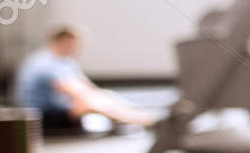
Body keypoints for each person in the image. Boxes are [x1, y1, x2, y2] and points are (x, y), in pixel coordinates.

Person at [13, 25, 156, 132]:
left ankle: (147, 116)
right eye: (74, 45)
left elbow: (89, 87)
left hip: (59, 108)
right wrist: (108, 107)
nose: (77, 49)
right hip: (42, 116)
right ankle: (149, 122)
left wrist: (110, 100)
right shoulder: (44, 63)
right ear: (62, 42)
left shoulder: (66, 62)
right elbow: (77, 92)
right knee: (89, 104)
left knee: (105, 95)